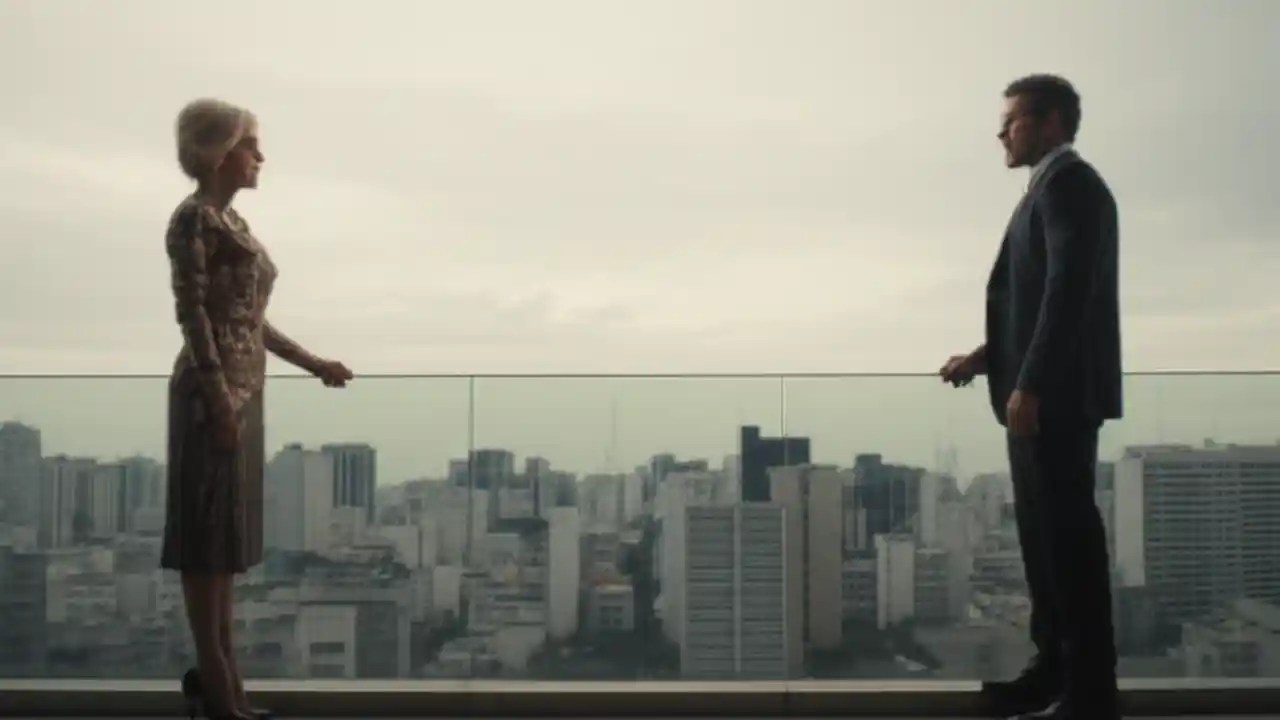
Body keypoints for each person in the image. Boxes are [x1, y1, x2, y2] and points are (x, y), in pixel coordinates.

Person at [160, 98, 353, 720]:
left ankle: (225, 690)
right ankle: (219, 690)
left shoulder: (232, 227)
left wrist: (314, 363)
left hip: (243, 395)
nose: (260, 156)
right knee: (206, 546)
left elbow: (250, 323)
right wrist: (218, 401)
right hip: (212, 397)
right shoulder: (193, 220)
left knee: (224, 547)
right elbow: (194, 317)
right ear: (220, 152)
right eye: (250, 145)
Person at [940, 75, 1122, 720]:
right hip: (1039, 395)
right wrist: (988, 357)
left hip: (1055, 399)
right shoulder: (1049, 188)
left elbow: (1067, 293)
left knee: (1068, 545)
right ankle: (1053, 676)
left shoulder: (1072, 186)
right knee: (1045, 545)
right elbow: (1035, 299)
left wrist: (1032, 383)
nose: (1001, 133)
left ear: (1048, 123)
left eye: (1011, 121)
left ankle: (1089, 695)